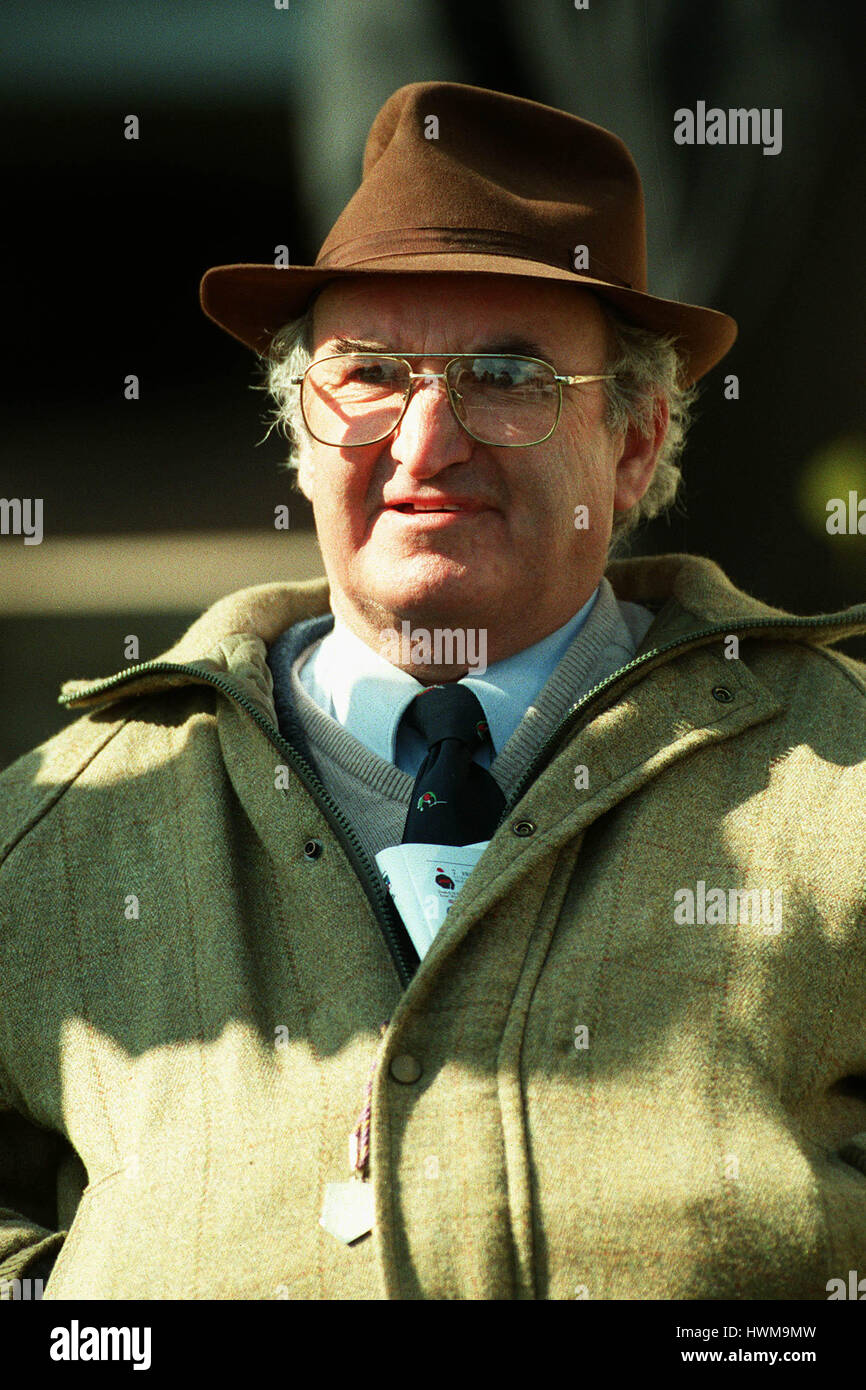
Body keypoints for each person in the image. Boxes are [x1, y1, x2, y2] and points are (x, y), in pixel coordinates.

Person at [1, 81, 865, 1302]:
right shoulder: (61, 833)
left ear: (630, 445)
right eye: (366, 374)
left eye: (504, 376)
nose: (421, 444)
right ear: (298, 432)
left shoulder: (844, 789)